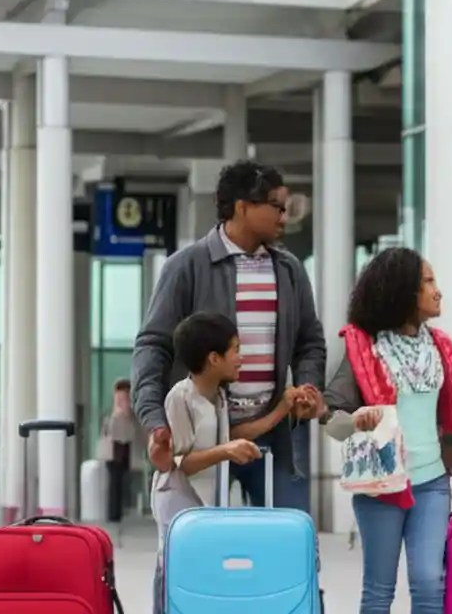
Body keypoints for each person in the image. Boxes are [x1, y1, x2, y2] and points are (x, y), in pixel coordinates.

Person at [131, 158, 327, 509]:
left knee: (290, 533)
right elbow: (153, 346)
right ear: (242, 207)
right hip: (202, 437)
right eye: (276, 207)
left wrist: (309, 387)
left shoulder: (289, 270)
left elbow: (309, 342)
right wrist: (155, 420)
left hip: (273, 432)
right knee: (195, 535)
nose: (284, 217)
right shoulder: (186, 266)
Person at [322, 247, 452, 614]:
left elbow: (450, 413)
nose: (437, 290)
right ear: (402, 290)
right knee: (379, 590)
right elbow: (331, 418)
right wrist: (356, 420)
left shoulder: (440, 347)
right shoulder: (365, 347)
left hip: (432, 482)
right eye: (428, 282)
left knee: (429, 581)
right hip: (382, 485)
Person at [150, 312, 264, 612]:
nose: (241, 358)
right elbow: (182, 463)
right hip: (178, 501)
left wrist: (282, 410)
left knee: (202, 582)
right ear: (214, 358)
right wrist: (226, 451)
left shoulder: (219, 397)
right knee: (173, 575)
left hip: (206, 501)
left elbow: (233, 437)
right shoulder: (180, 398)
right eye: (236, 350)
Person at [95, 378, 146, 522]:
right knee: (115, 482)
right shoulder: (115, 413)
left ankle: (118, 512)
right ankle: (114, 513)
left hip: (122, 449)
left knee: (120, 482)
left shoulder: (123, 412)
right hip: (116, 450)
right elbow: (115, 430)